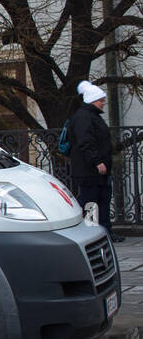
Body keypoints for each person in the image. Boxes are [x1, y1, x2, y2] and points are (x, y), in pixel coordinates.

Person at [67, 80, 124, 243]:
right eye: (101, 101)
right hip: (89, 170)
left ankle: (105, 232)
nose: (103, 104)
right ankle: (92, 234)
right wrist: (97, 161)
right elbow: (85, 142)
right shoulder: (84, 117)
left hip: (97, 170)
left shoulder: (90, 116)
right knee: (91, 202)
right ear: (93, 100)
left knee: (102, 200)